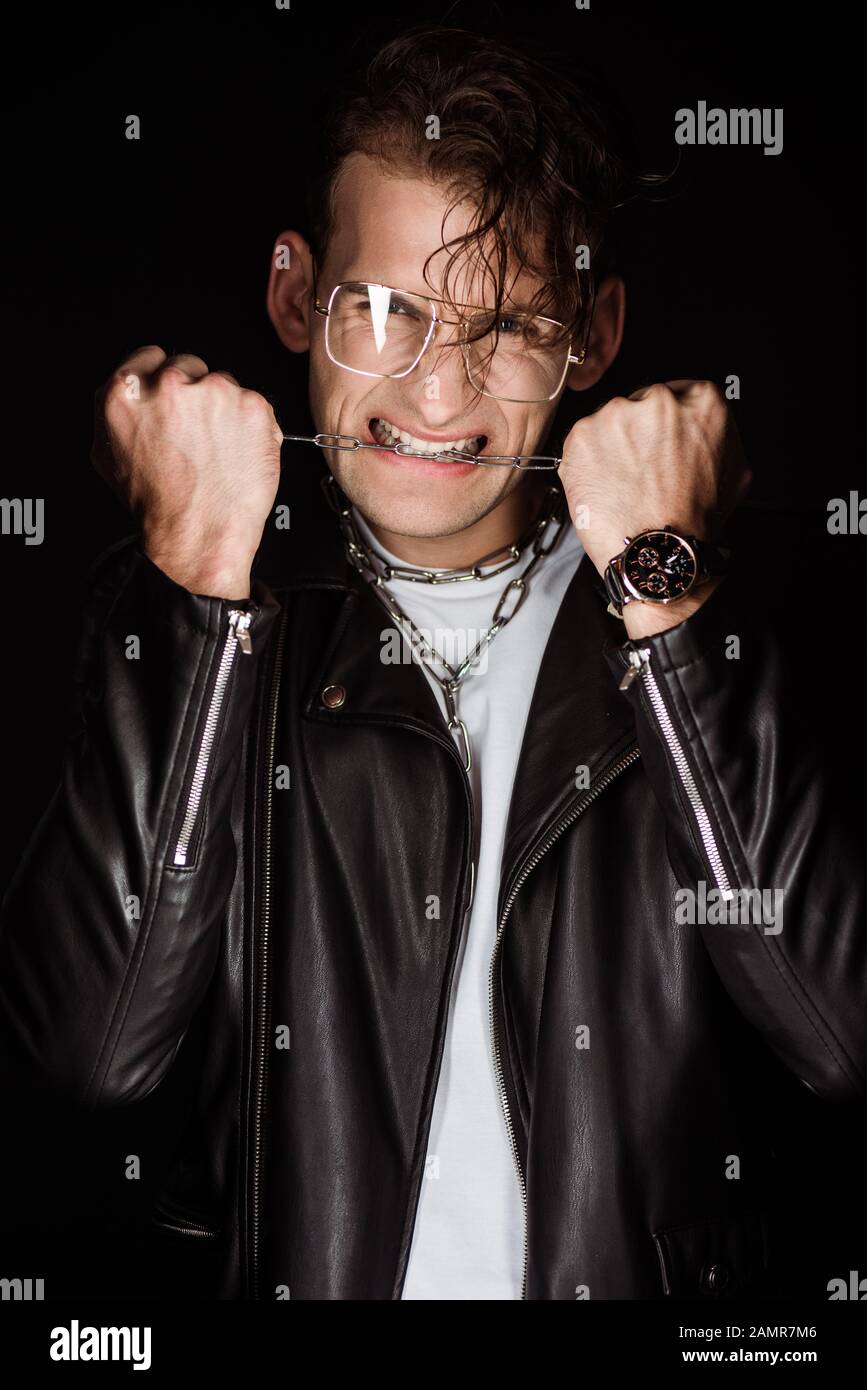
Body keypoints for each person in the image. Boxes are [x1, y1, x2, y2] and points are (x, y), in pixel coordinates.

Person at [0, 24, 864, 1301]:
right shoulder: (199, 614)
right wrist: (190, 572)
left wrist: (670, 602)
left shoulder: (717, 611)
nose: (438, 389)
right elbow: (95, 1048)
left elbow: (838, 1033)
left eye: (508, 324)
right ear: (296, 296)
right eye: (382, 310)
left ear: (593, 334)